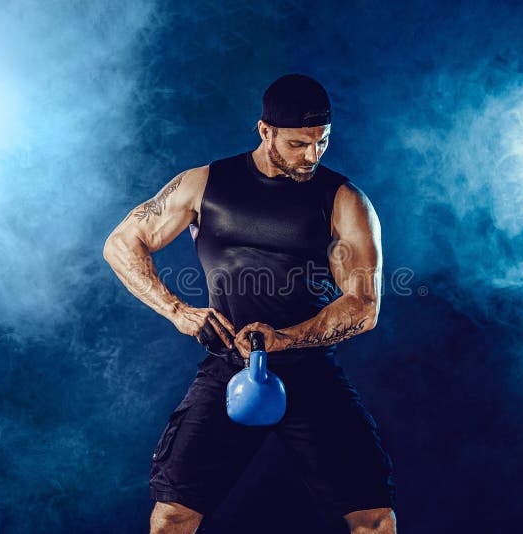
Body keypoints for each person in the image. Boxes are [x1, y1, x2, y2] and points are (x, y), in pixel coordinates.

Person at [103, 74, 397, 533]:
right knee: (172, 517)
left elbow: (363, 305)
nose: (313, 155)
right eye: (299, 144)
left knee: (374, 520)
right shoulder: (203, 184)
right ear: (265, 131)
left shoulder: (344, 200)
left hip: (308, 371)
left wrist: (286, 339)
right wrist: (178, 311)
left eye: (322, 142)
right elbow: (122, 244)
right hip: (227, 367)